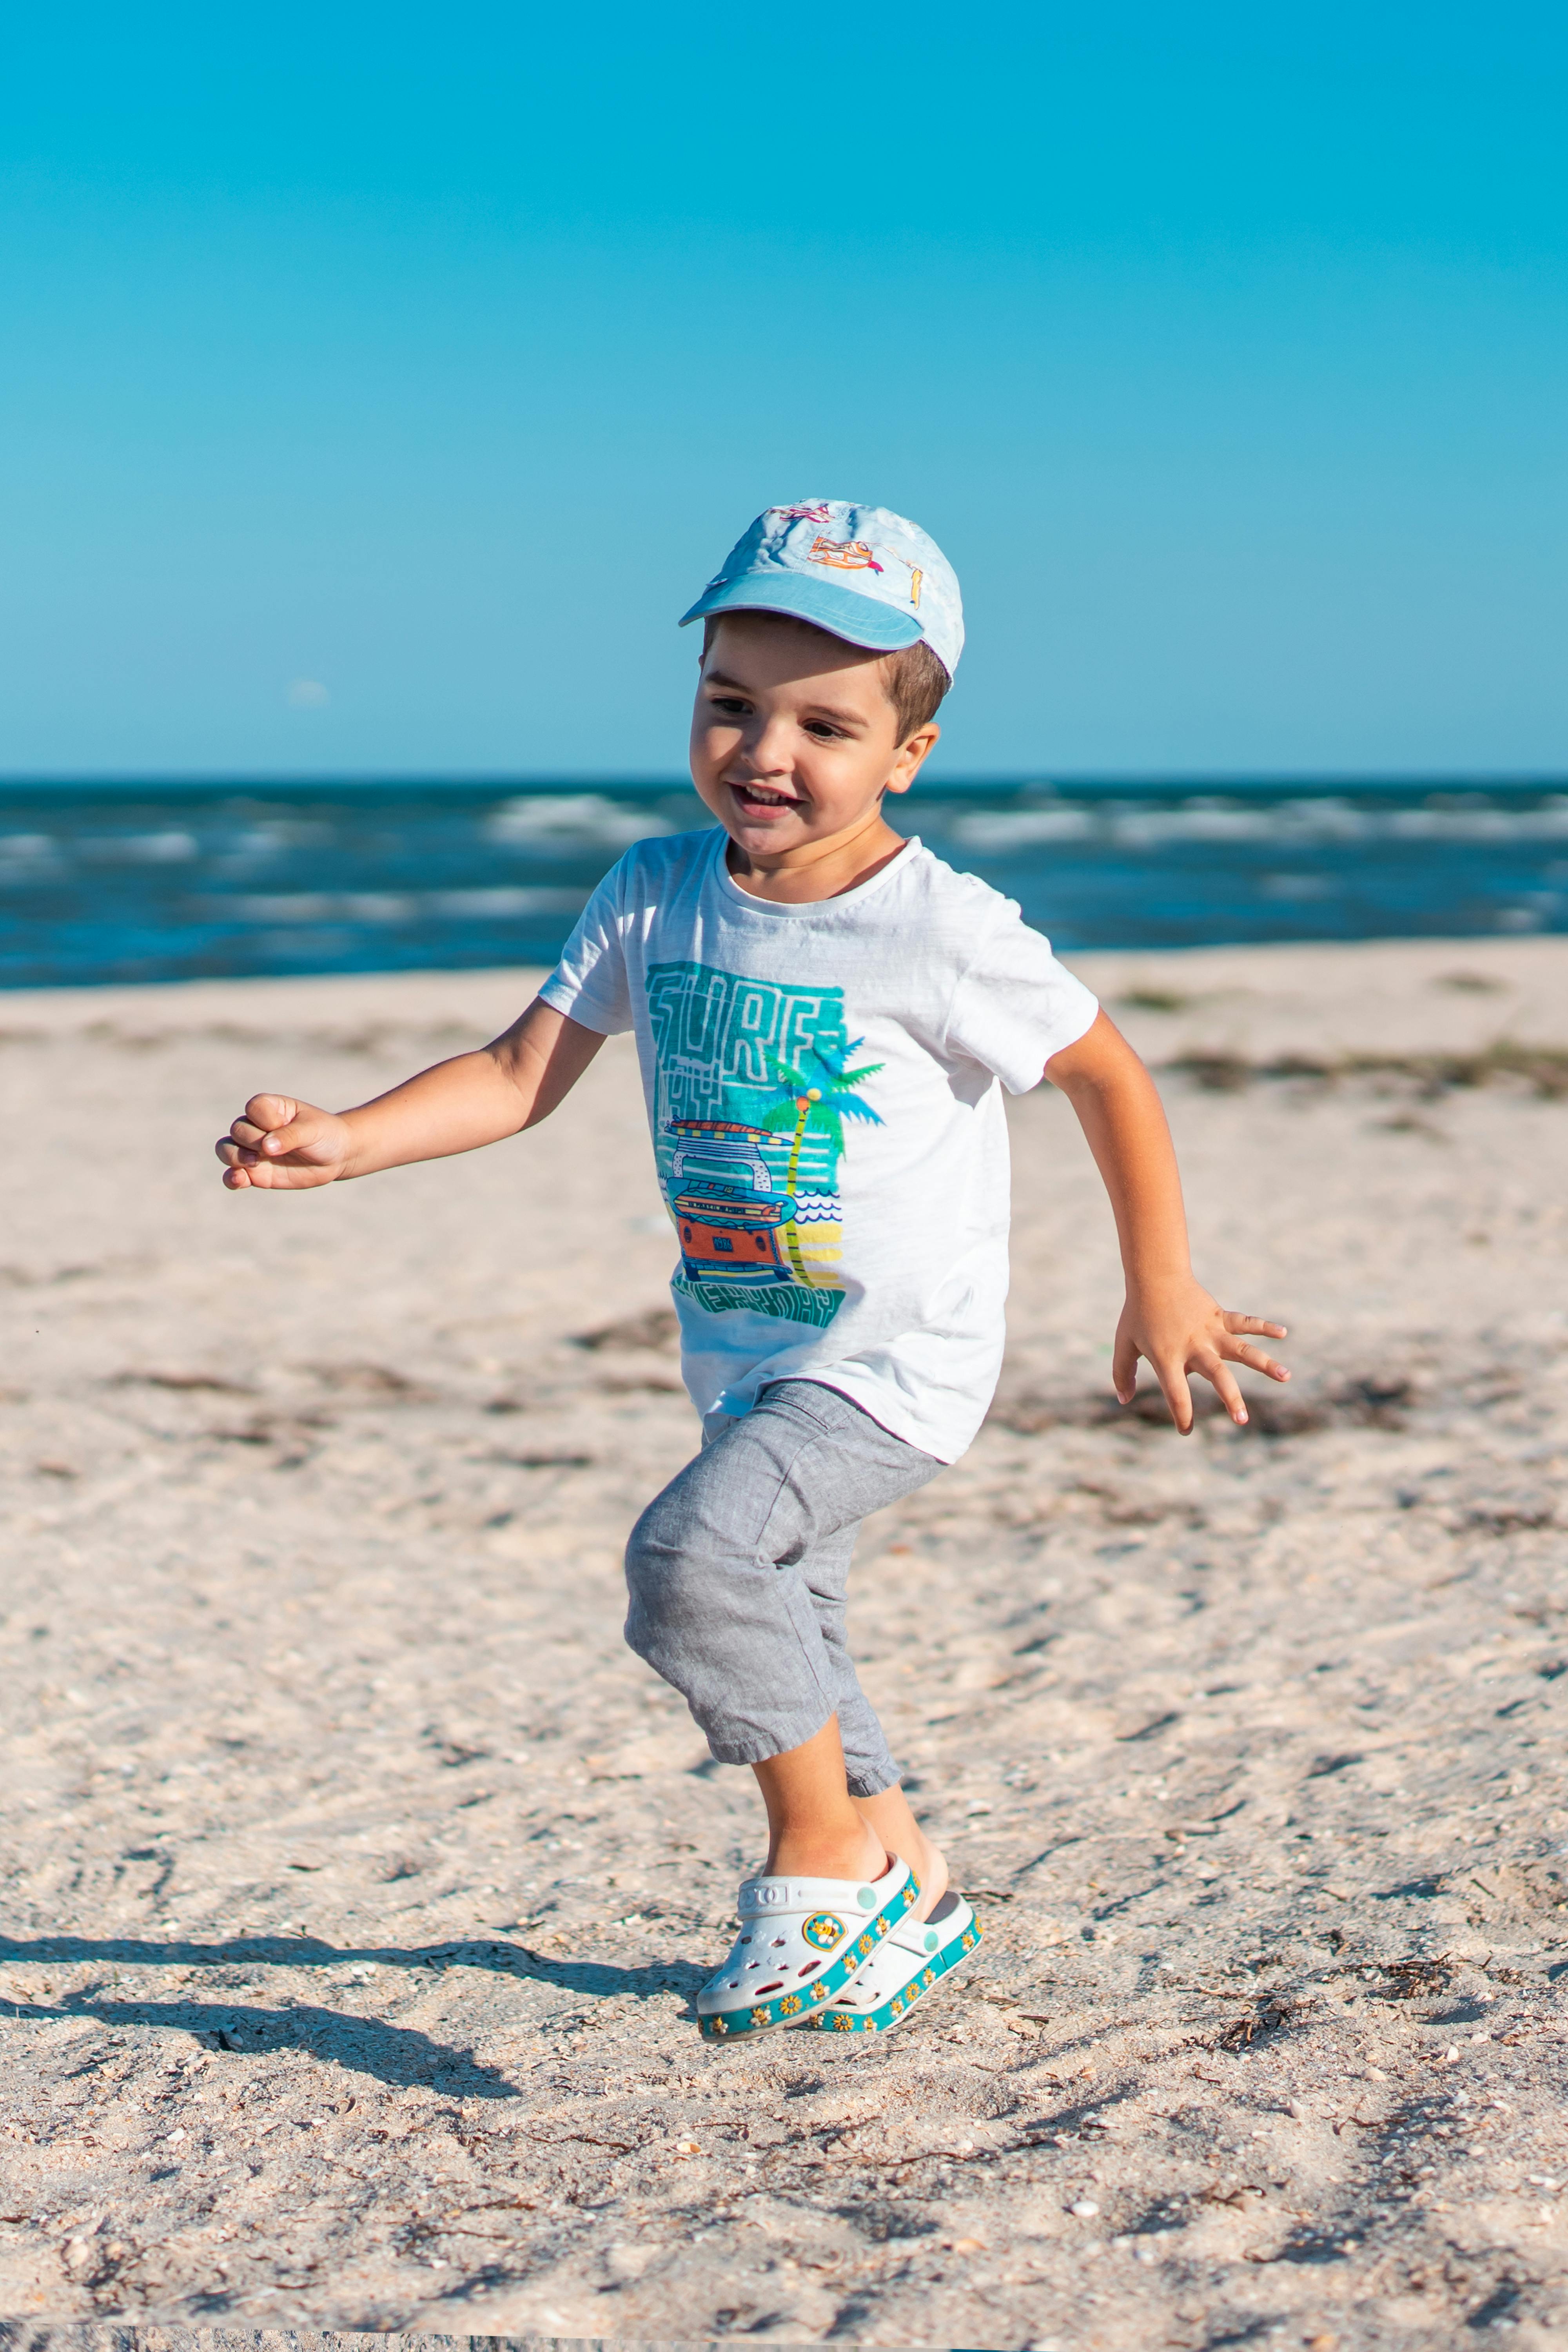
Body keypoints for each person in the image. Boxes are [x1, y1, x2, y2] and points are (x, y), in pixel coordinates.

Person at [215, 500, 1289, 2043]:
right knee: (797, 1615)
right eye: (733, 704)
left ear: (905, 754)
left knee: (696, 1566)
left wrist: (1162, 1284)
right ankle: (901, 1871)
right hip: (744, 1348)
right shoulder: (653, 892)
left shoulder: (942, 931)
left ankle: (820, 1858)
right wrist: (352, 1138)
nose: (765, 750)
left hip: (892, 1363)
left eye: (825, 724)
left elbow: (1108, 1076)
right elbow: (522, 1072)